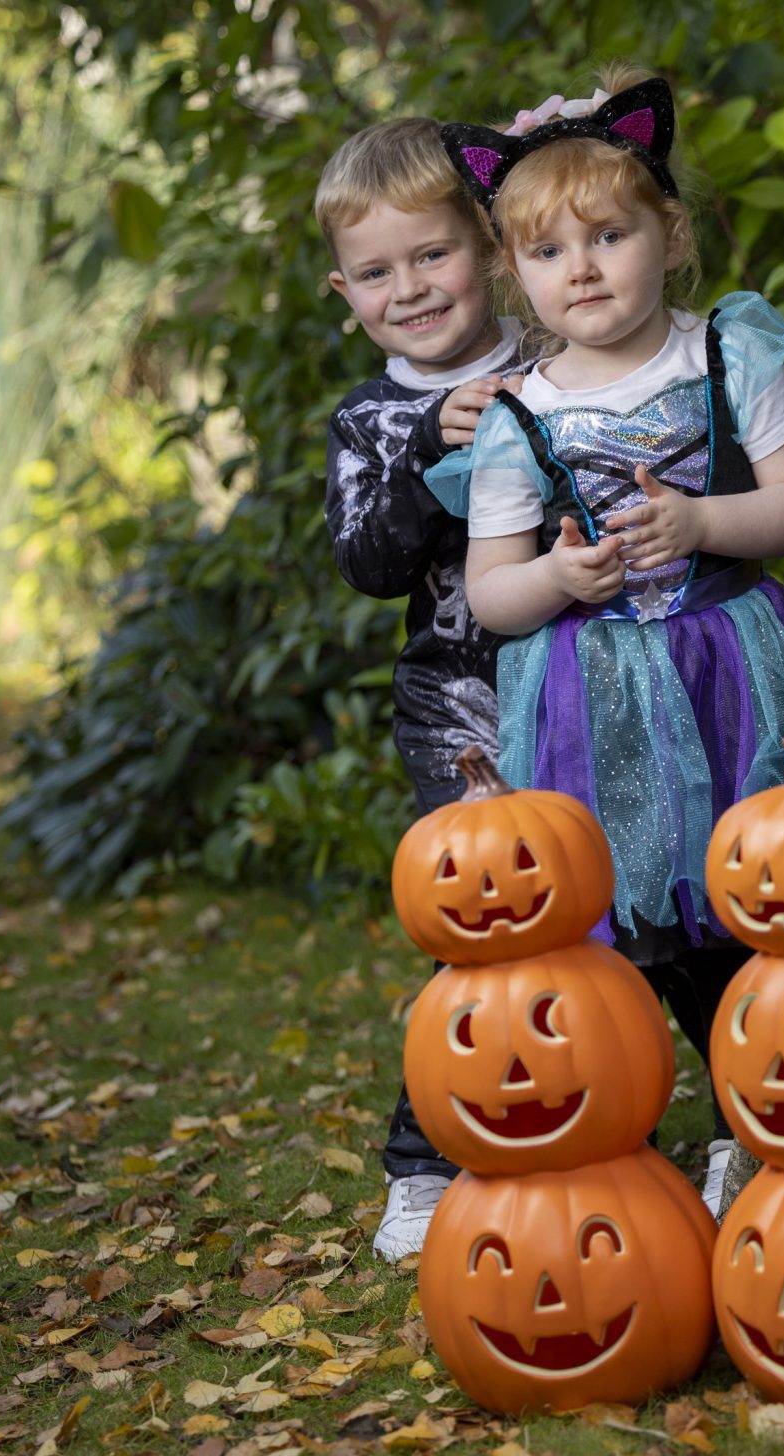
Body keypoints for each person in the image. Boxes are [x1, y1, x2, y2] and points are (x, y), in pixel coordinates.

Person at [426, 70, 784, 1215]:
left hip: (727, 665)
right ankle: (627, 1133)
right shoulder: (517, 416)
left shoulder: (724, 357)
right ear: (516, 273)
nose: (585, 268)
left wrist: (705, 520)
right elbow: (491, 592)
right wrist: (558, 574)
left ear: (670, 235)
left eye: (610, 235)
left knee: (751, 902)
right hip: (585, 693)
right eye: (551, 253)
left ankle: (760, 1115)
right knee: (618, 930)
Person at [315, 116, 530, 1260]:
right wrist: (431, 467)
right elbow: (367, 563)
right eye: (377, 271)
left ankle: (629, 1118)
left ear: (491, 250)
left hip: (579, 677)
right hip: (457, 706)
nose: (411, 287)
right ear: (343, 289)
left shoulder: (553, 361)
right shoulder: (370, 419)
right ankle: (423, 1160)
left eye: (433, 255)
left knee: (633, 910)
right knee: (481, 933)